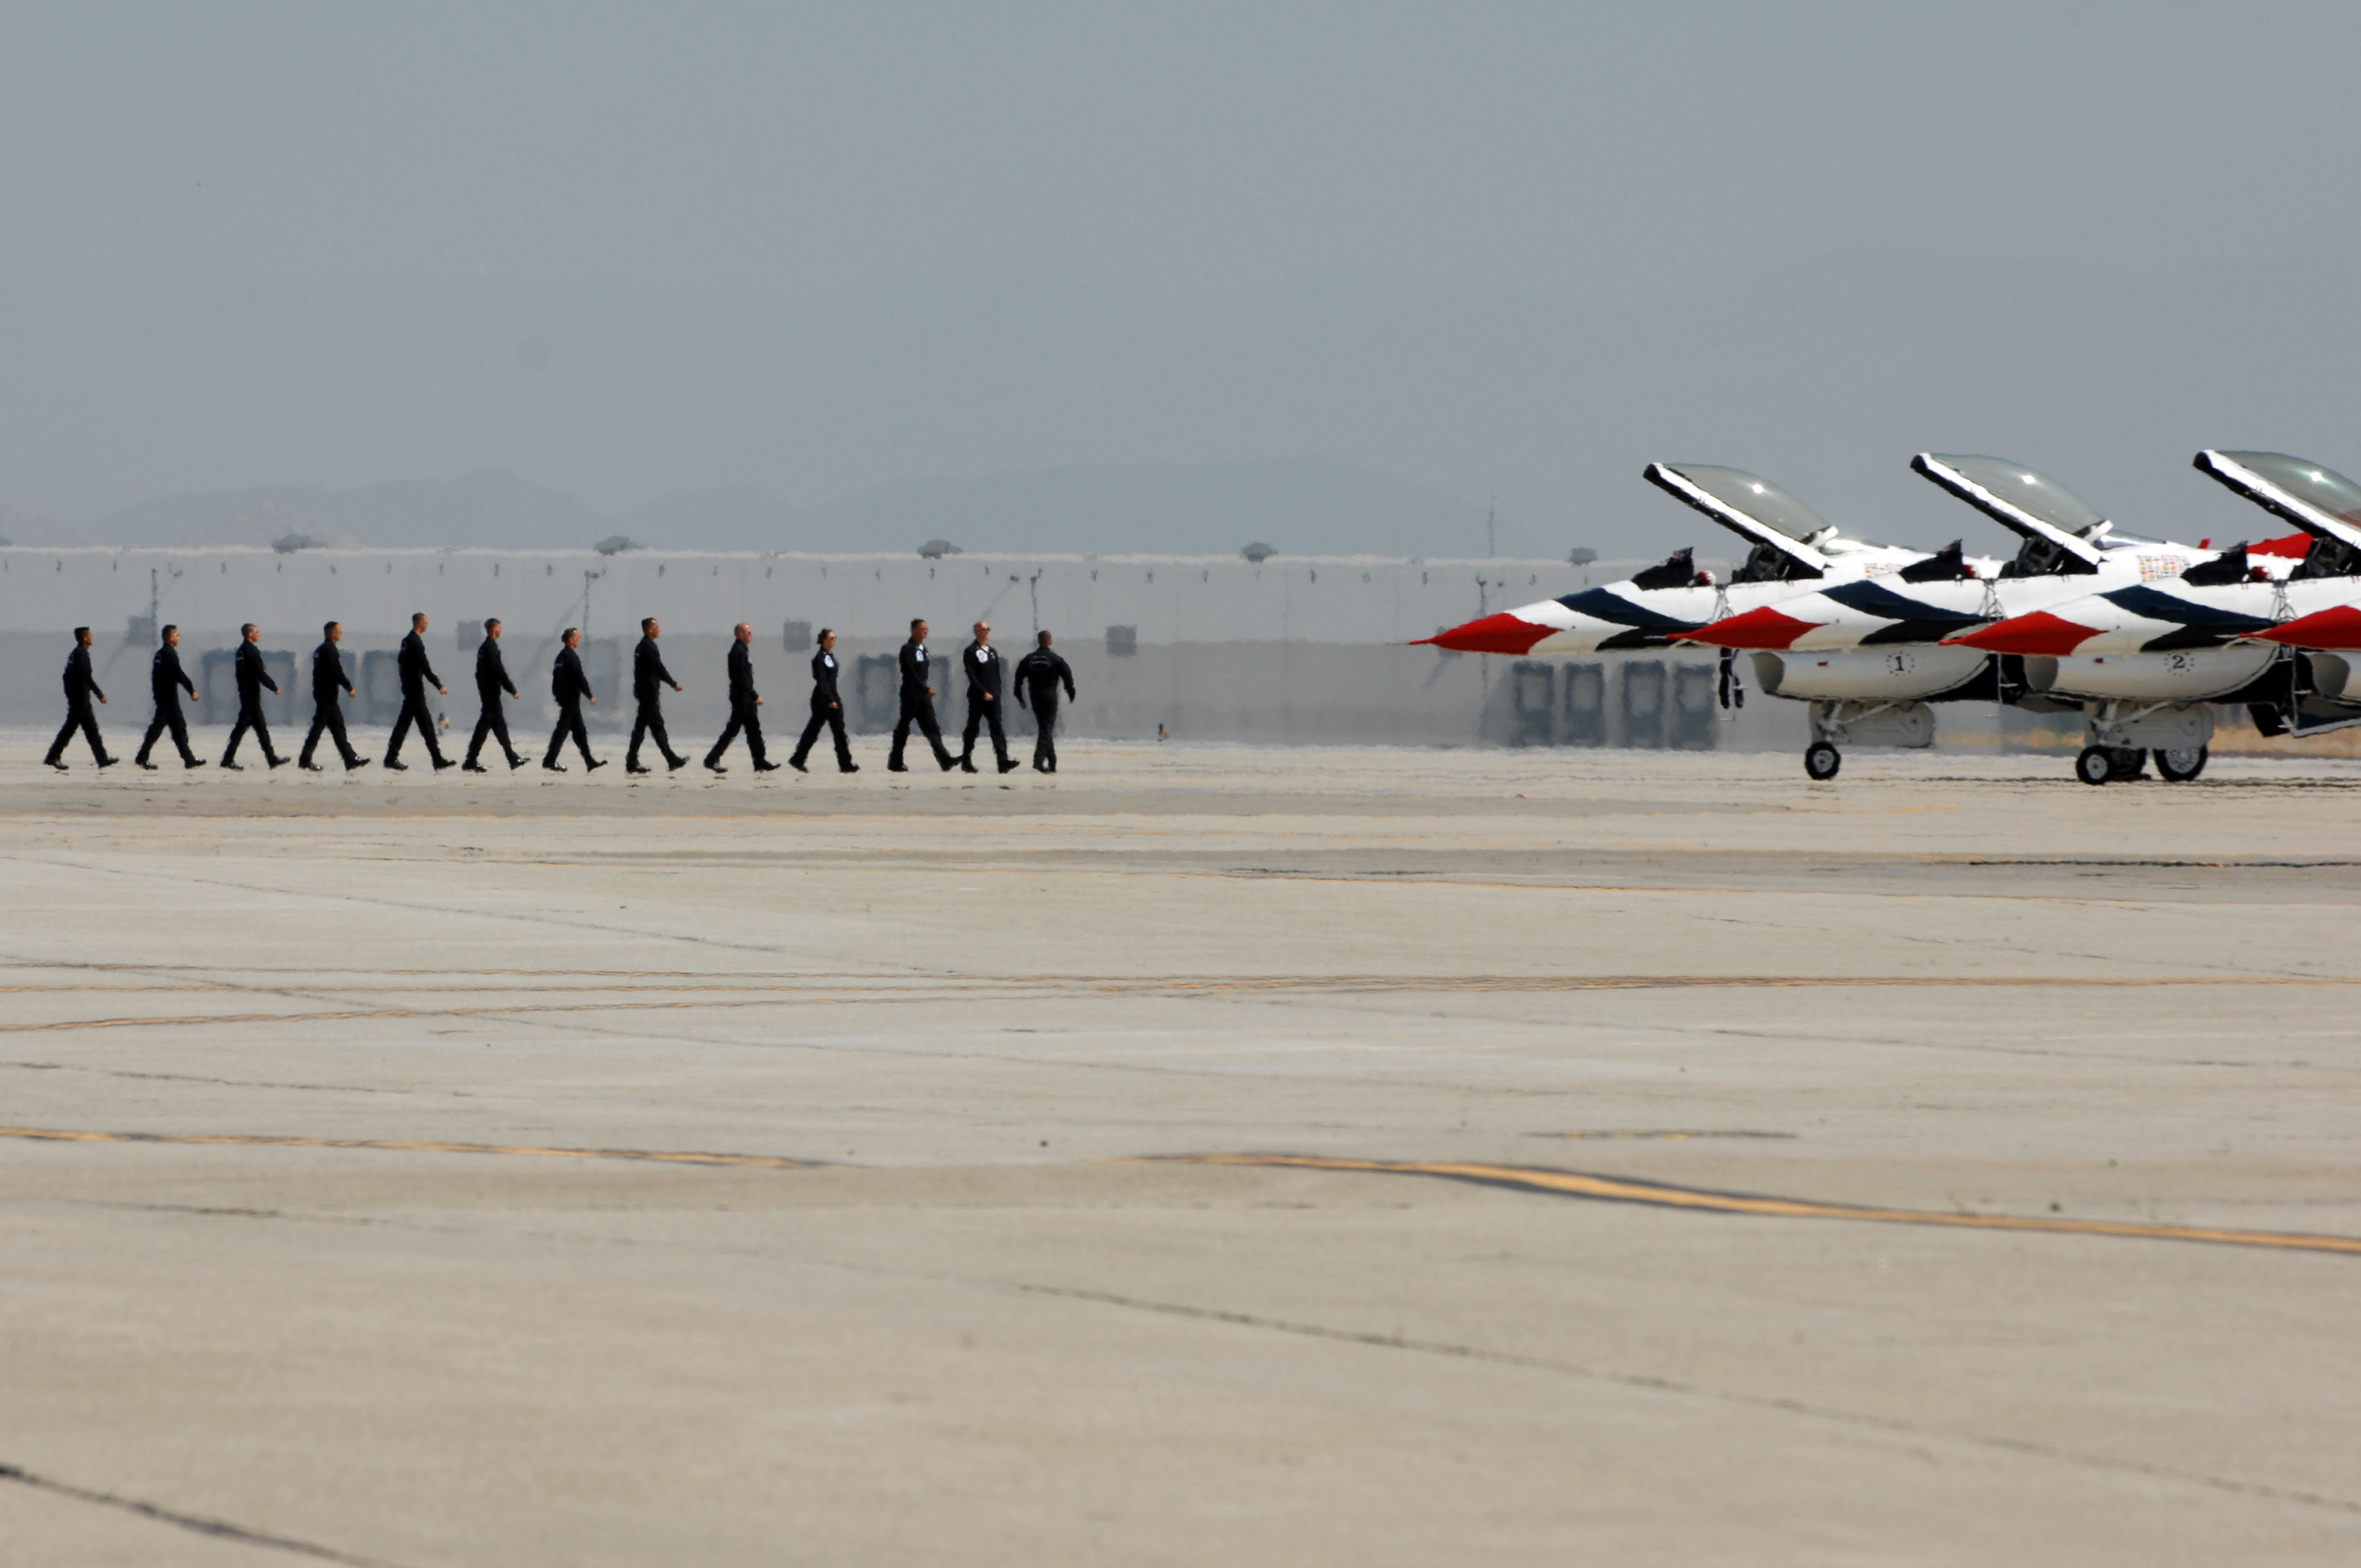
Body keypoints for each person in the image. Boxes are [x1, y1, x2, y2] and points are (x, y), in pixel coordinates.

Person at [383, 612, 454, 771]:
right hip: (415, 690)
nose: (428, 625)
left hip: (410, 688)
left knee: (426, 726)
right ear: (420, 623)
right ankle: (391, 758)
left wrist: (404, 683)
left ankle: (437, 759)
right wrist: (439, 685)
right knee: (407, 725)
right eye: (426, 622)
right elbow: (425, 667)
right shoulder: (415, 643)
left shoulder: (406, 642)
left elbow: (401, 665)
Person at [705, 622, 779, 774]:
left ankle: (760, 761)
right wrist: (754, 695)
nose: (751, 635)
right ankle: (712, 759)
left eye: (751, 632)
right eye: (748, 632)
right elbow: (740, 678)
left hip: (747, 698)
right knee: (733, 730)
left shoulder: (743, 650)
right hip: (741, 698)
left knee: (754, 730)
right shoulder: (738, 651)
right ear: (740, 635)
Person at [886, 617, 956, 772]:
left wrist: (925, 690)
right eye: (922, 628)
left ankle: (945, 759)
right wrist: (925, 689)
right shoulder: (907, 649)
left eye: (927, 629)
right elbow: (910, 673)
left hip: (923, 696)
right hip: (911, 694)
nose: (926, 631)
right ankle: (895, 761)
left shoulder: (923, 650)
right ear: (914, 630)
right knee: (904, 727)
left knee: (932, 727)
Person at [787, 627, 858, 774]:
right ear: (824, 640)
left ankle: (846, 764)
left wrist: (834, 698)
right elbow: (822, 680)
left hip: (833, 695)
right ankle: (798, 759)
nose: (834, 641)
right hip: (822, 699)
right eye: (831, 638)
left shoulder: (831, 657)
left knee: (839, 732)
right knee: (813, 731)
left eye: (835, 638)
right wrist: (830, 699)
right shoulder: (819, 658)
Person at [134, 624, 204, 770]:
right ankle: (142, 757)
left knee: (179, 728)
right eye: (177, 635)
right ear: (170, 637)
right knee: (157, 729)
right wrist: (191, 690)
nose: (179, 638)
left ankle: (189, 759)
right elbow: (178, 674)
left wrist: (157, 695)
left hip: (165, 698)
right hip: (168, 699)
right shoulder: (169, 654)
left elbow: (156, 677)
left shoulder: (160, 654)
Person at [43, 627, 115, 771]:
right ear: (85, 638)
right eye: (90, 636)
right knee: (71, 730)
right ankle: (52, 757)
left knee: (91, 731)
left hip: (80, 700)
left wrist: (71, 696)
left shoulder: (76, 654)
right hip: (80, 701)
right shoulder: (81, 654)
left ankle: (102, 759)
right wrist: (100, 695)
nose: (92, 637)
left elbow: (67, 677)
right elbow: (86, 677)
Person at [300, 621, 367, 771]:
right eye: (340, 632)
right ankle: (305, 759)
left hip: (323, 695)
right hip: (327, 697)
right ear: (333, 634)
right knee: (317, 730)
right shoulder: (330, 650)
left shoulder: (320, 650)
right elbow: (336, 671)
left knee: (338, 729)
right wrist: (349, 687)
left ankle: (350, 759)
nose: (341, 634)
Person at [220, 623, 287, 770]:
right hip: (251, 696)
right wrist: (273, 686)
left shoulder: (240, 651)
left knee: (261, 729)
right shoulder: (251, 651)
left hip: (246, 694)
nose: (259, 634)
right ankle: (227, 760)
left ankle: (272, 759)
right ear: (250, 634)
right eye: (257, 632)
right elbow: (259, 672)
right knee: (241, 730)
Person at [626, 616, 688, 774]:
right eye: (657, 627)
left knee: (657, 727)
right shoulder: (649, 647)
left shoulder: (640, 647)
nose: (659, 629)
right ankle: (632, 762)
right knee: (641, 728)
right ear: (649, 629)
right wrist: (673, 683)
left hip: (644, 691)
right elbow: (658, 668)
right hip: (649, 693)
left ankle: (671, 759)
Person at [463, 617, 526, 772]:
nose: (501, 630)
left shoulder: (484, 648)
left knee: (499, 727)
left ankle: (512, 758)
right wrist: (512, 689)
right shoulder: (490, 648)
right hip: (491, 694)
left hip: (488, 693)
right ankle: (471, 760)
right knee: (484, 727)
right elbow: (499, 671)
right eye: (499, 627)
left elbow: (478, 673)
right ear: (494, 629)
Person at [1013, 629, 1077, 774]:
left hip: (1035, 697)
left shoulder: (1029, 659)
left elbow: (1018, 678)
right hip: (1050, 698)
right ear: (1050, 641)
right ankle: (1038, 762)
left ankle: (1052, 762)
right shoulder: (1056, 659)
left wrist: (1020, 697)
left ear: (1039, 641)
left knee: (1045, 727)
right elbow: (1068, 676)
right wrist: (1071, 694)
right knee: (1046, 728)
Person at [958, 619, 1018, 774]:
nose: (987, 632)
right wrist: (983, 692)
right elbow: (971, 675)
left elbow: (997, 676)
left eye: (988, 629)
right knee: (973, 728)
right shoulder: (970, 651)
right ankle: (966, 760)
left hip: (994, 697)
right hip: (978, 697)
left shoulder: (992, 652)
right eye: (984, 629)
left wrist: (998, 695)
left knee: (997, 728)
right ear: (977, 632)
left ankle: (1003, 761)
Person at [545, 627, 605, 771]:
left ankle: (589, 761)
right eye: (577, 638)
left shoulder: (560, 657)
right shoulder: (571, 657)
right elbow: (579, 678)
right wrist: (589, 695)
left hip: (566, 699)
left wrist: (557, 696)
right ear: (570, 640)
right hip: (570, 700)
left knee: (579, 732)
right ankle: (550, 760)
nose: (579, 640)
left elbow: (555, 680)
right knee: (562, 731)